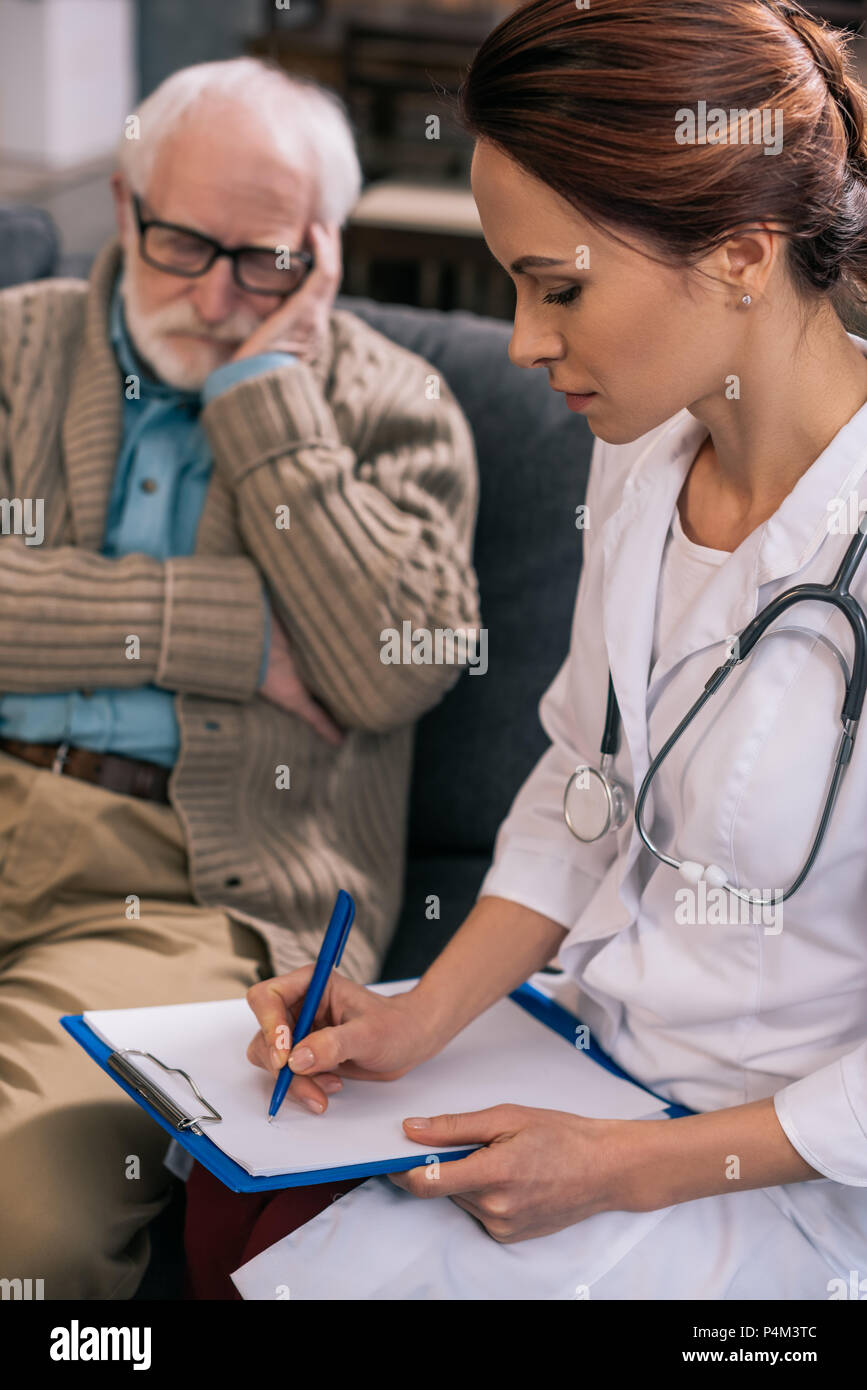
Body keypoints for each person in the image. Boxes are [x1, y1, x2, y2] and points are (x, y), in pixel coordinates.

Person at [187, 0, 867, 1299]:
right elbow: (579, 778)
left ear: (735, 255)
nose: (520, 340)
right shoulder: (635, 459)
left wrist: (620, 1167)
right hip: (583, 1060)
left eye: (554, 285)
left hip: (776, 1177)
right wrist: (413, 1016)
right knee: (233, 1202)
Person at [0, 57, 480, 1299]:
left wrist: (267, 398)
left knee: (23, 1231)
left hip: (177, 892)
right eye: (180, 244)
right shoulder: (18, 344)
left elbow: (391, 665)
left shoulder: (393, 405)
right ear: (123, 200)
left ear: (323, 251)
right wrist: (239, 635)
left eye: (261, 259)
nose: (217, 294)